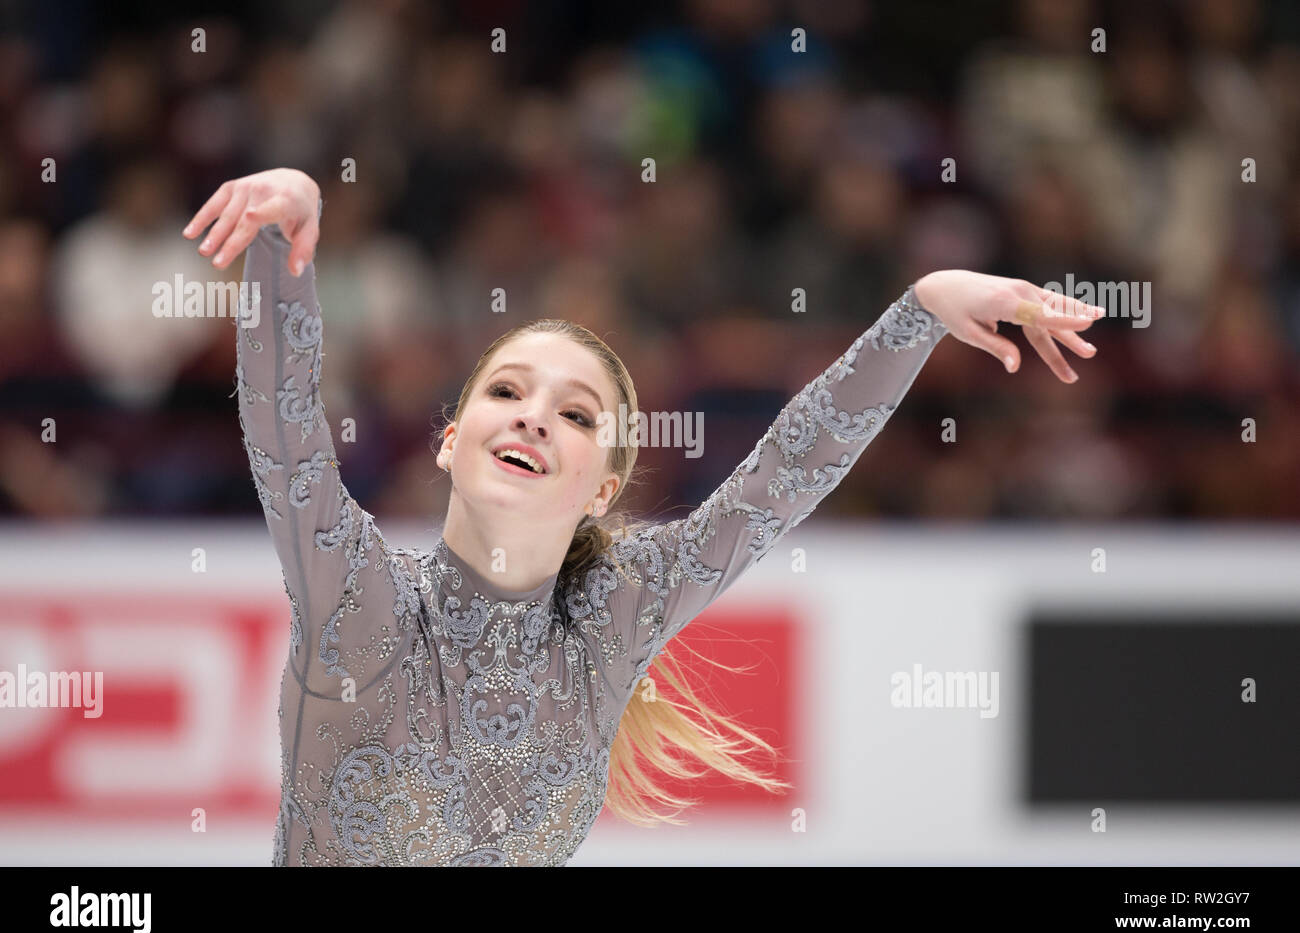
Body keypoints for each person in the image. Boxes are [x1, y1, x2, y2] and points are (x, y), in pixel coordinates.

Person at [184, 168, 1103, 866]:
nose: (534, 416)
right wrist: (284, 234)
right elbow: (285, 431)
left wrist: (923, 309)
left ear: (603, 489)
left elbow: (779, 479)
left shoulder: (609, 622)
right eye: (507, 391)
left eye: (577, 415)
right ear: (450, 441)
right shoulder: (362, 601)